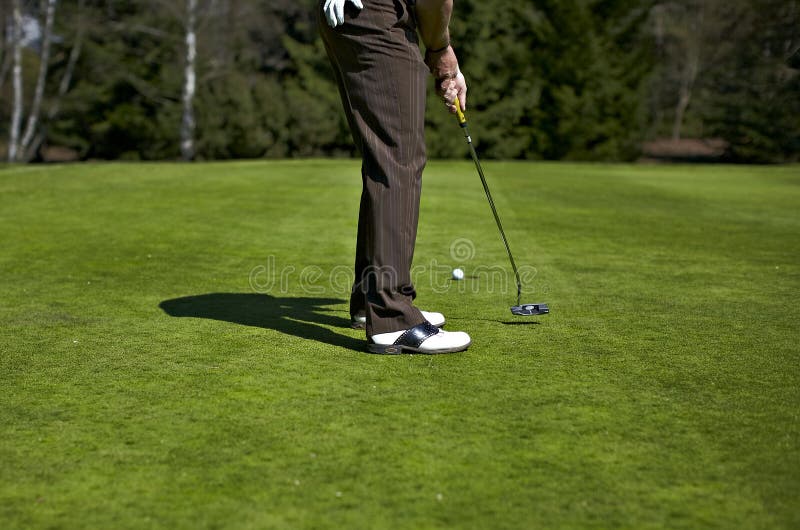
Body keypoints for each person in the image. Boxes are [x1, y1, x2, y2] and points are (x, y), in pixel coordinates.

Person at [319, 0, 471, 354]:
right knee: (397, 157)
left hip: (351, 14)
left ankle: (370, 302)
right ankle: (392, 317)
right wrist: (441, 48)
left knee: (383, 157)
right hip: (376, 15)